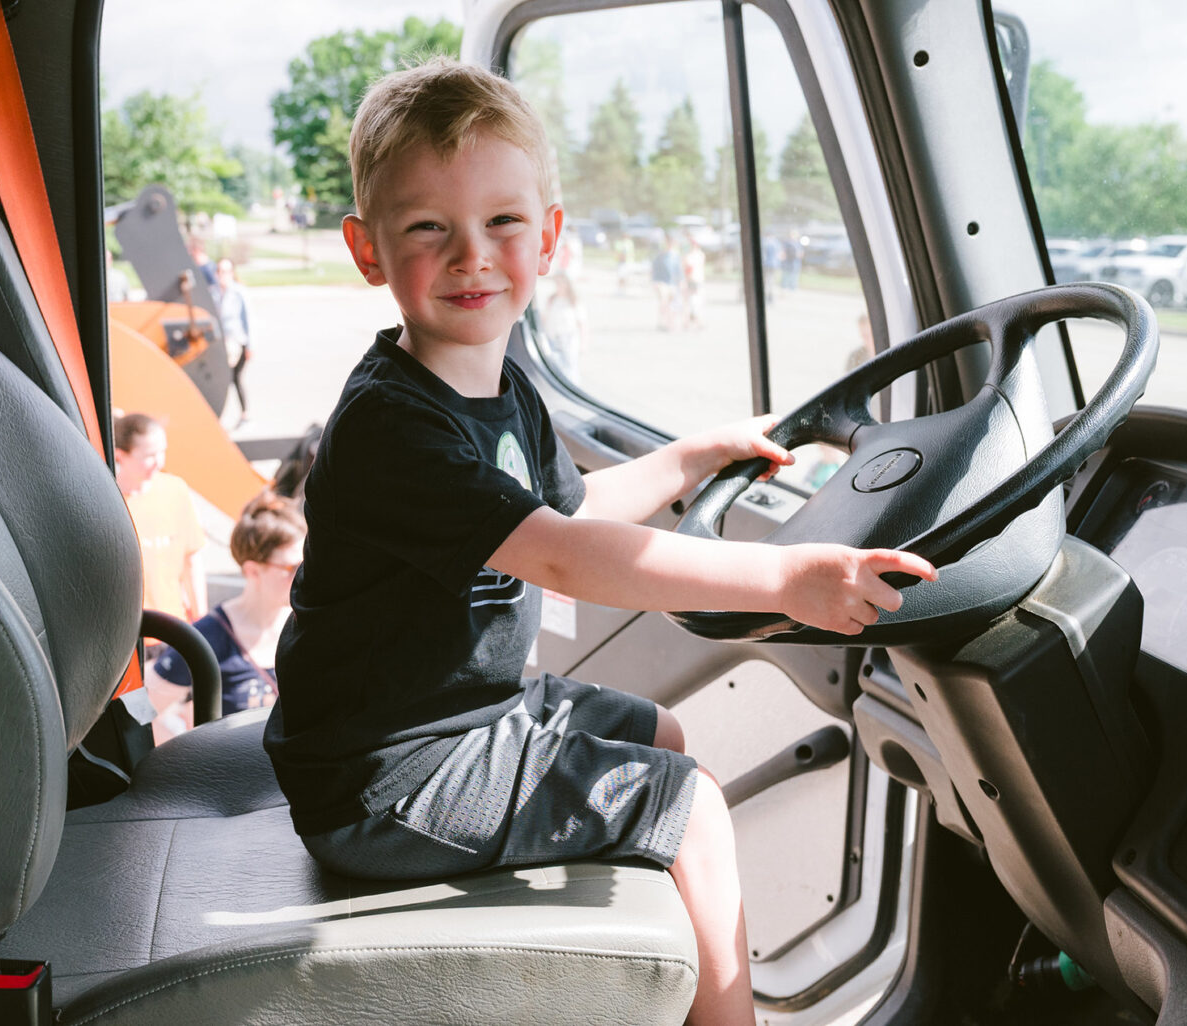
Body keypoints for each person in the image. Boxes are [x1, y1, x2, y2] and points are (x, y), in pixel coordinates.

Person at [262, 57, 936, 1026]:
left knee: (662, 735)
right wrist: (786, 576)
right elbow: (565, 558)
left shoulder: (503, 386)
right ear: (368, 252)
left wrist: (691, 458)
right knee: (696, 811)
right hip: (389, 776)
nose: (472, 257)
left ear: (550, 237)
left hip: (460, 712)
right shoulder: (393, 428)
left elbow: (569, 513)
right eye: (428, 229)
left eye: (502, 224)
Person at [146, 490, 303, 743]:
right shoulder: (208, 637)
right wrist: (185, 752)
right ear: (253, 571)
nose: (303, 575)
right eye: (292, 567)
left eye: (307, 564)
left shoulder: (306, 624)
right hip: (233, 778)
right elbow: (139, 713)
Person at [114, 412, 207, 625]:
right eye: (149, 456)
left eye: (162, 452)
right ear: (120, 456)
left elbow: (191, 559)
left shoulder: (176, 490)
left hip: (173, 625)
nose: (159, 462)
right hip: (131, 630)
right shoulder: (112, 501)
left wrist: (201, 618)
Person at [213, 257, 254, 426]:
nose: (223, 275)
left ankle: (244, 414)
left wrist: (250, 346)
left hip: (236, 342)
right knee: (224, 380)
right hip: (220, 343)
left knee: (234, 378)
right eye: (220, 271)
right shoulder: (213, 293)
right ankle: (220, 415)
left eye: (226, 271)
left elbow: (248, 320)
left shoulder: (238, 293)